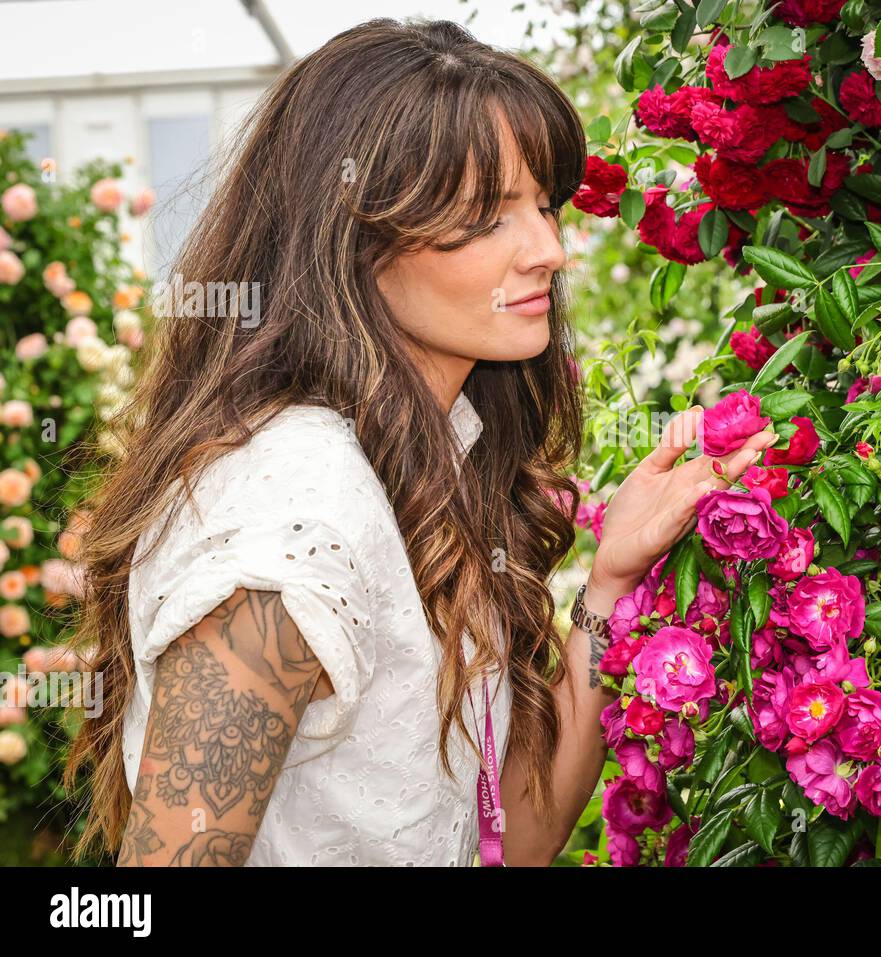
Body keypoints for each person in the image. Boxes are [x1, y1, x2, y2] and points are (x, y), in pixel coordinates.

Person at [62, 17, 775, 866]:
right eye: (486, 217)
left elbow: (516, 835)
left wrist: (611, 578)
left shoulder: (422, 456)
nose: (550, 249)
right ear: (353, 243)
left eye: (543, 205)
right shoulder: (292, 517)